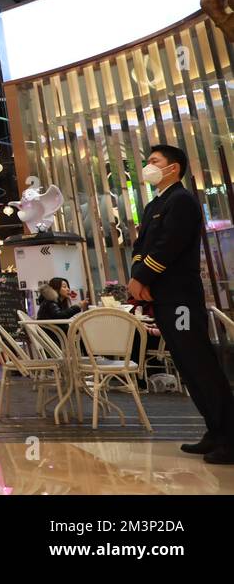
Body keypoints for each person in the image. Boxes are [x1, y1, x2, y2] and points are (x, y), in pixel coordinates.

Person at [128, 143, 234, 464]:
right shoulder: (153, 205)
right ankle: (214, 431)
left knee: (200, 364)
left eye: (154, 161)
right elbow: (141, 245)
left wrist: (143, 276)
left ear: (173, 168)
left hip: (181, 298)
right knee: (187, 367)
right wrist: (137, 275)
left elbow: (168, 245)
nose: (148, 166)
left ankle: (230, 436)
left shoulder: (183, 200)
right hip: (163, 298)